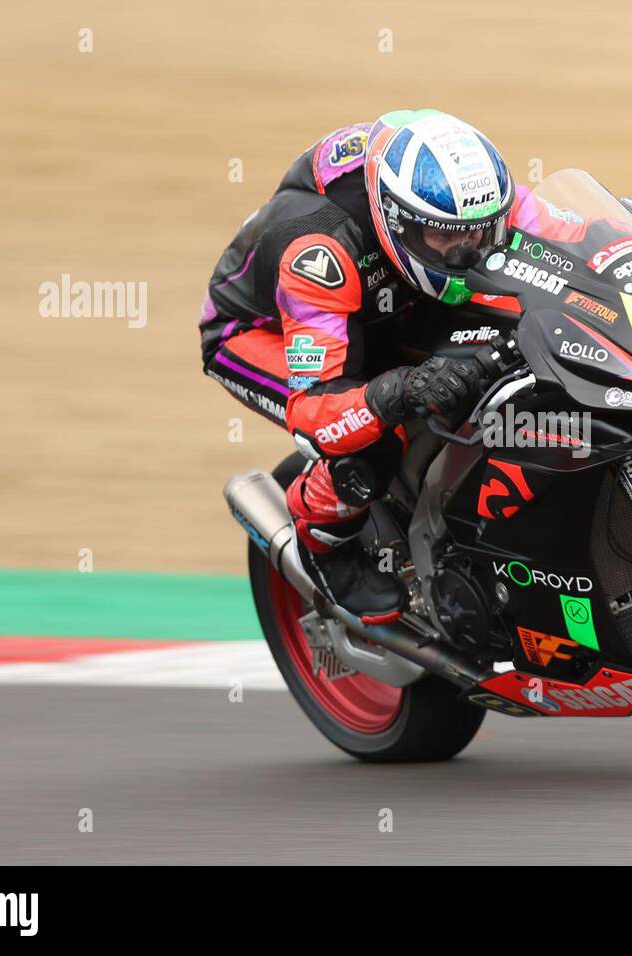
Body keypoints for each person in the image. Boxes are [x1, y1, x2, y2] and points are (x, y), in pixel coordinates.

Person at [199, 109, 515, 624]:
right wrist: (399, 391)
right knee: (374, 434)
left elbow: (569, 233)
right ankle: (324, 545)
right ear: (396, 218)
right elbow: (316, 408)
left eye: (479, 234)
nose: (466, 252)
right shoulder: (318, 254)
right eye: (444, 238)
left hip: (383, 301)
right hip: (267, 333)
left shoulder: (465, 195)